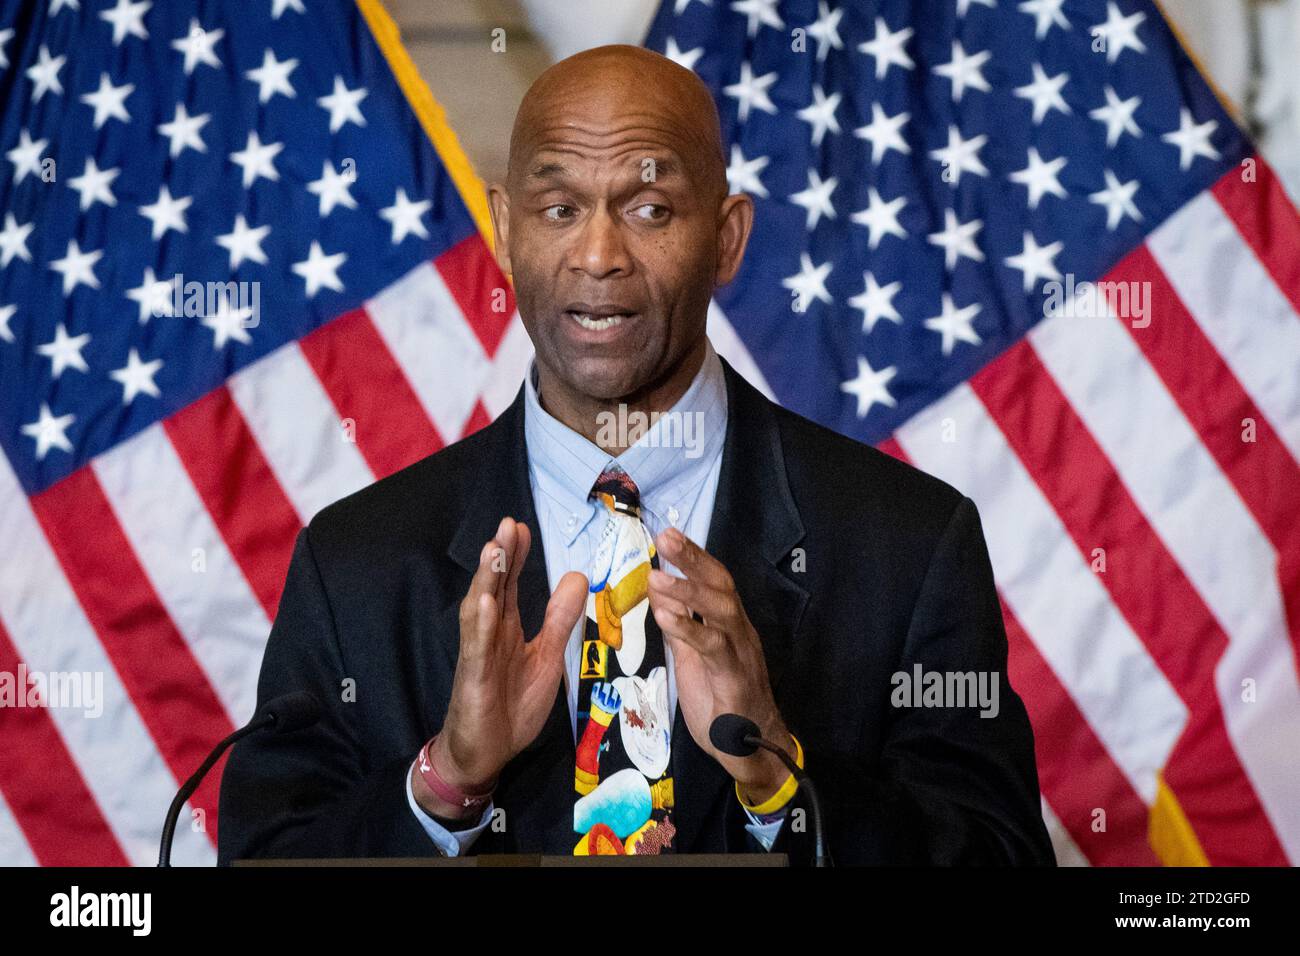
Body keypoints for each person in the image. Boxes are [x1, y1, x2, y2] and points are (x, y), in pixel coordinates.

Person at [217, 44, 1055, 866]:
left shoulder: (907, 543)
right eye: (559, 210)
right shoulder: (356, 559)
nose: (598, 256)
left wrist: (776, 776)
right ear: (506, 231)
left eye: (651, 209)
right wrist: (447, 782)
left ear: (726, 238)